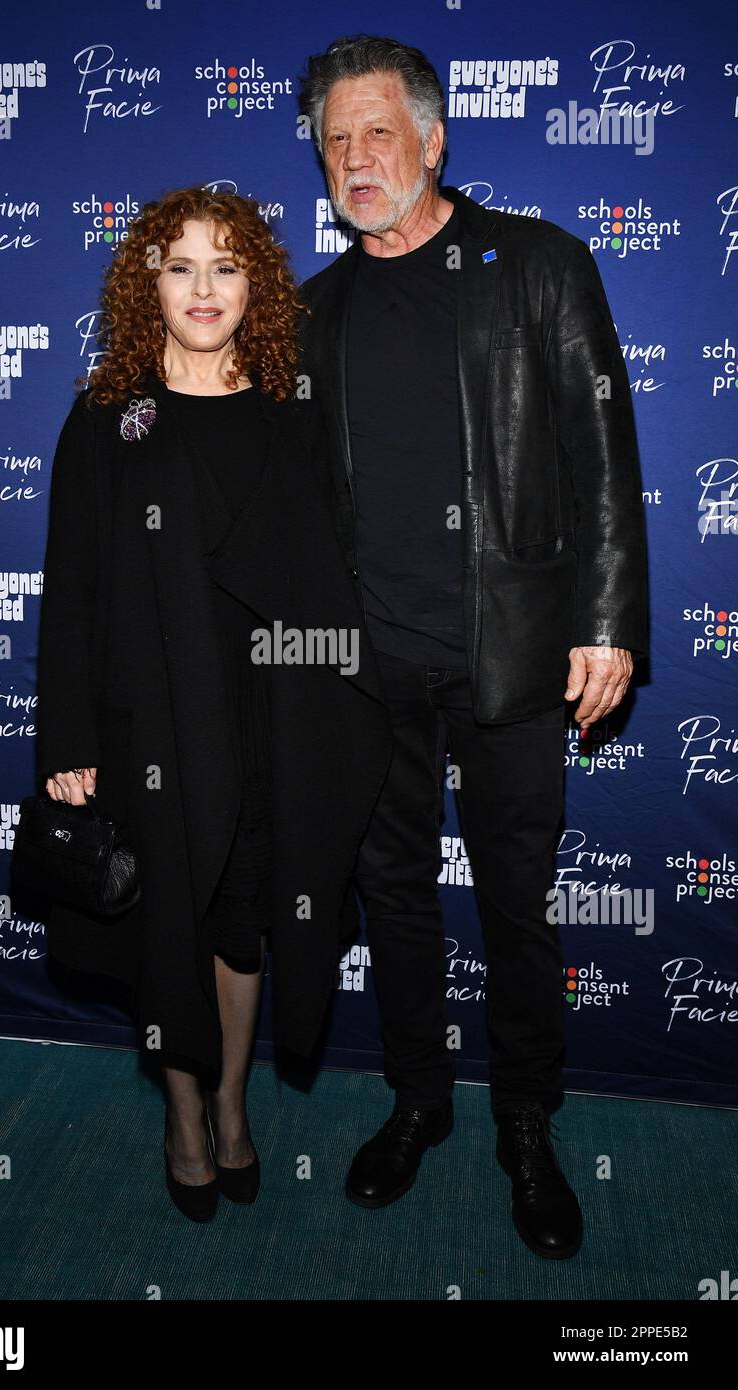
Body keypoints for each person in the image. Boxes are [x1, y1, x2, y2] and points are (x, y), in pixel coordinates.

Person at [296, 35, 649, 1257]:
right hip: (368, 670)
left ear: (434, 141)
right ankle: (418, 1101)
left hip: (515, 658)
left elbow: (604, 456)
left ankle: (527, 1123)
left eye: (377, 132)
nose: (355, 158)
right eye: (334, 141)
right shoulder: (315, 310)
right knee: (392, 898)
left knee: (515, 905)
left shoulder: (537, 264)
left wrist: (607, 621)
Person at [32, 186, 392, 1222]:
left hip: (270, 714)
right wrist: (67, 736)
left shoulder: (292, 408)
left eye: (226, 267)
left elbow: (332, 571)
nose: (202, 288)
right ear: (147, 284)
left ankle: (231, 1099)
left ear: (255, 286)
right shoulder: (108, 415)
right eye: (180, 266)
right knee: (170, 923)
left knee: (242, 925)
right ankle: (183, 1117)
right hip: (151, 719)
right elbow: (72, 585)